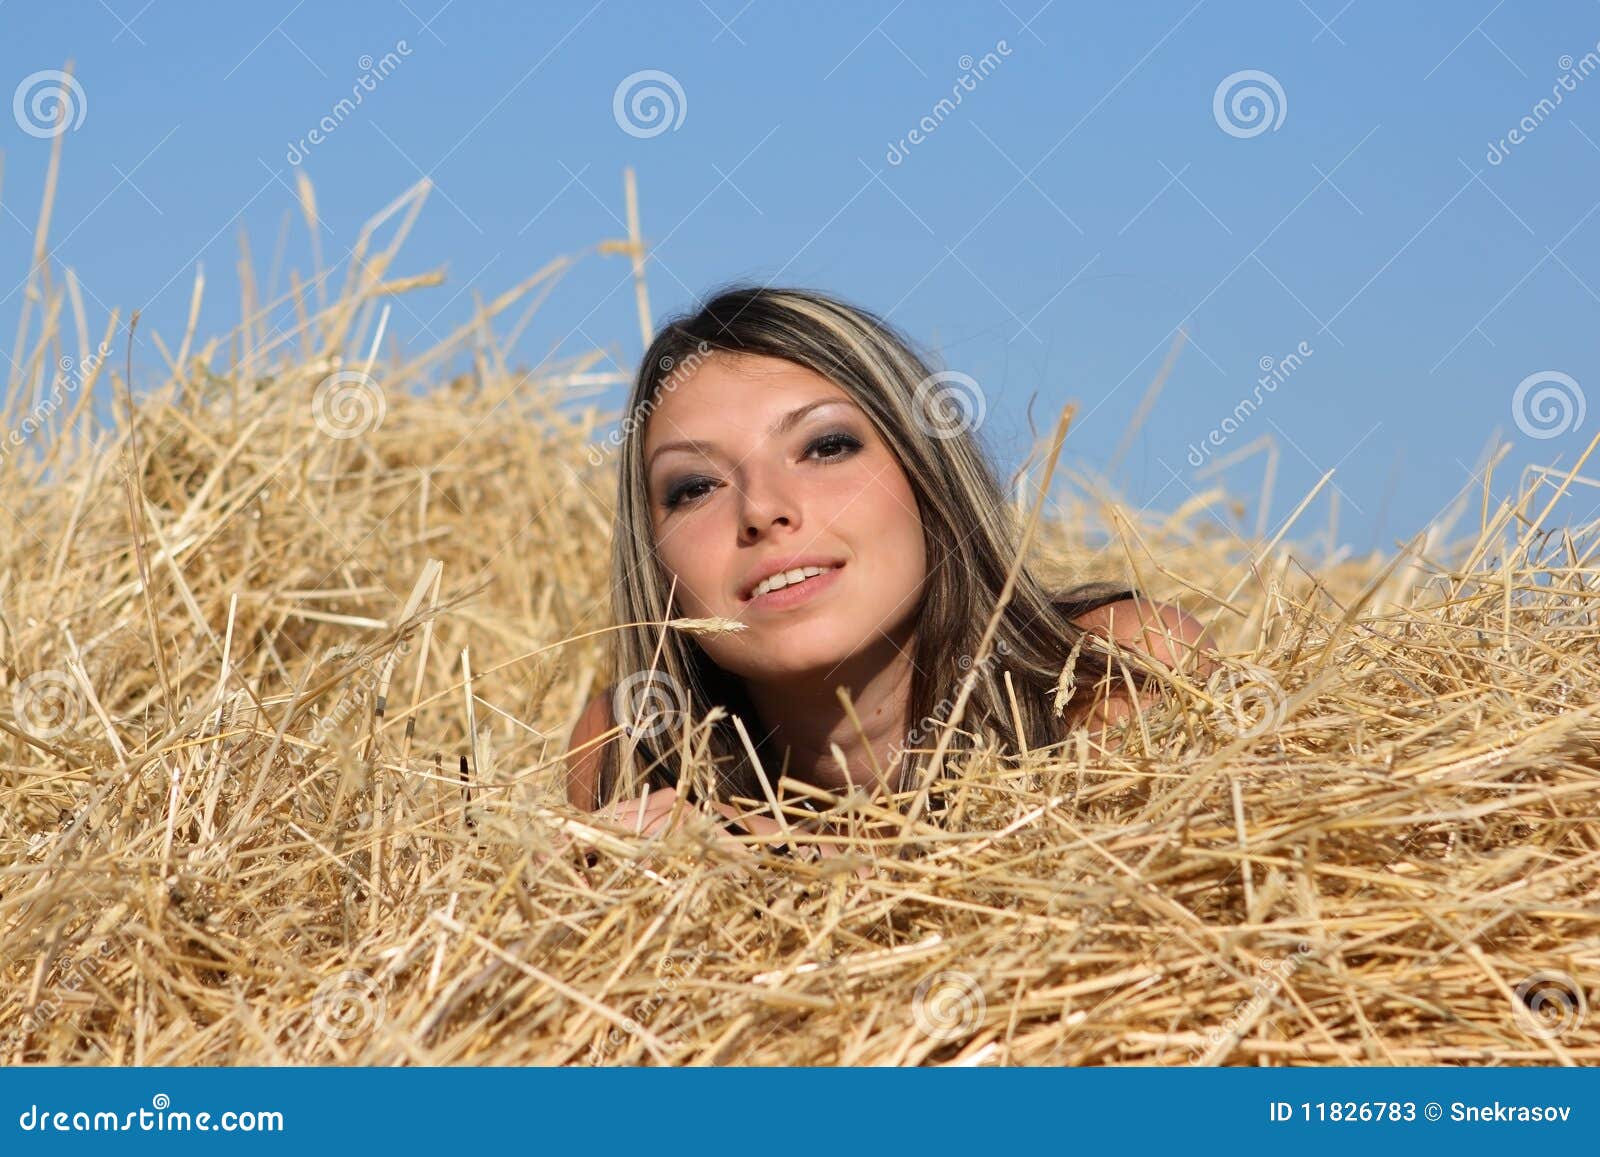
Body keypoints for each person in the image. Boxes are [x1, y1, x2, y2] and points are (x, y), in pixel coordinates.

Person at [562, 285, 1212, 865]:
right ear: (655, 557)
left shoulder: (1116, 669)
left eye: (825, 446)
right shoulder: (633, 745)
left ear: (927, 475)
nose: (761, 508)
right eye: (696, 485)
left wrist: (780, 856)